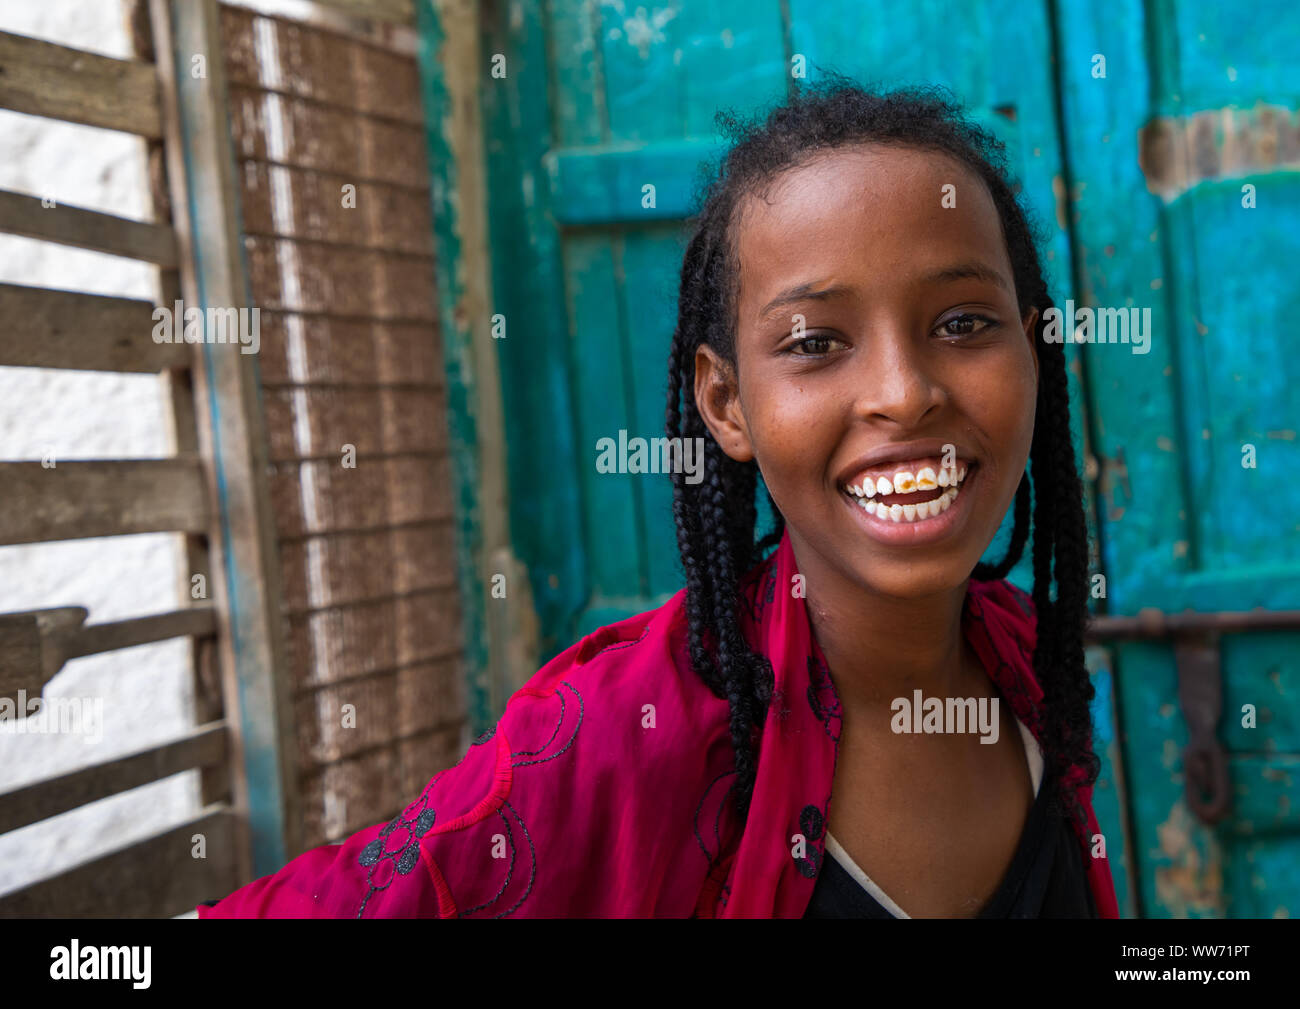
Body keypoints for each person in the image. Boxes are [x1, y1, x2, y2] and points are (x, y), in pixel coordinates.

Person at [198, 78, 1119, 919]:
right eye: (814, 342)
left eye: (963, 323)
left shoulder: (1028, 667)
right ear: (726, 404)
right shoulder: (620, 736)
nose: (903, 391)